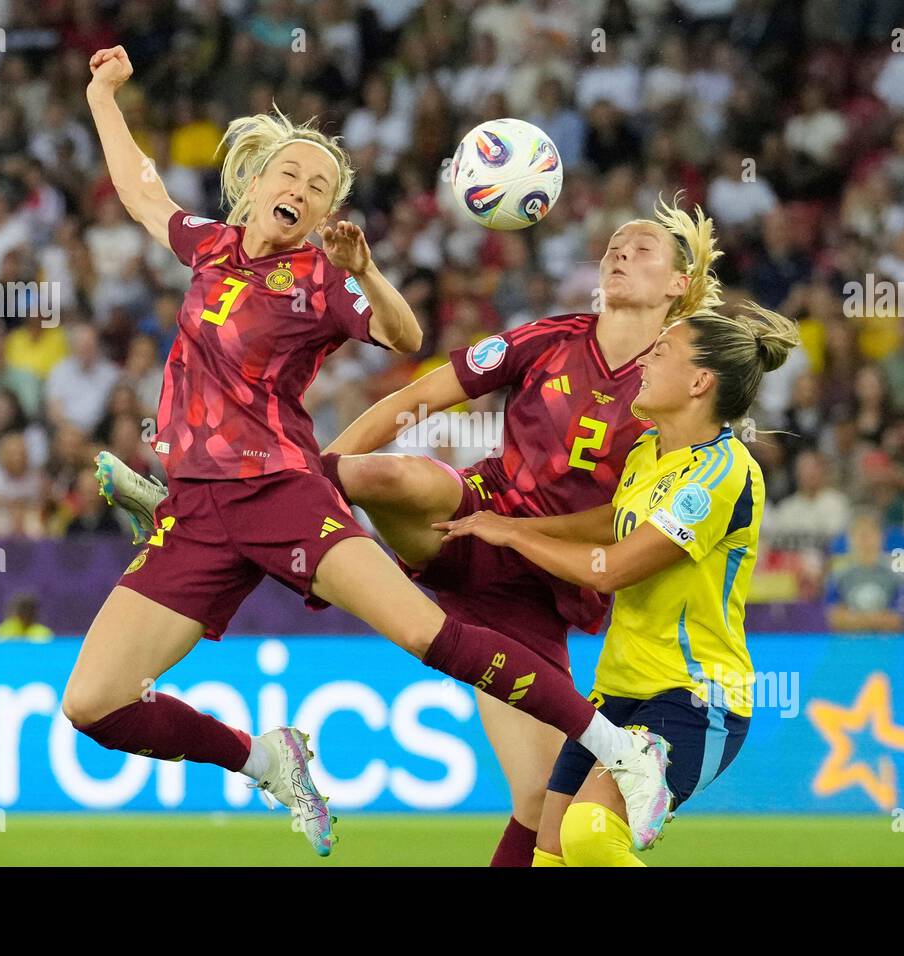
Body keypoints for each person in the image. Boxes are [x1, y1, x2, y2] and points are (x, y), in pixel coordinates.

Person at [62, 46, 674, 859]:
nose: (301, 191)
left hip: (283, 486)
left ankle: (621, 749)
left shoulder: (322, 278)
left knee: (426, 633)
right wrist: (103, 93)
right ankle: (267, 760)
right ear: (252, 186)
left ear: (324, 217)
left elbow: (404, 335)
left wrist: (366, 269)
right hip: (203, 509)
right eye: (290, 175)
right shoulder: (208, 247)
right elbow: (139, 186)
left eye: (319, 189)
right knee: (93, 704)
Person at [434, 304, 800, 866]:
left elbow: (613, 567)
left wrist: (515, 538)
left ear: (700, 382)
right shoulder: (647, 452)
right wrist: (513, 524)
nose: (645, 360)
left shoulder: (722, 473)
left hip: (695, 698)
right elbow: (609, 520)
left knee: (588, 835)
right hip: (618, 692)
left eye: (661, 351)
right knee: (549, 850)